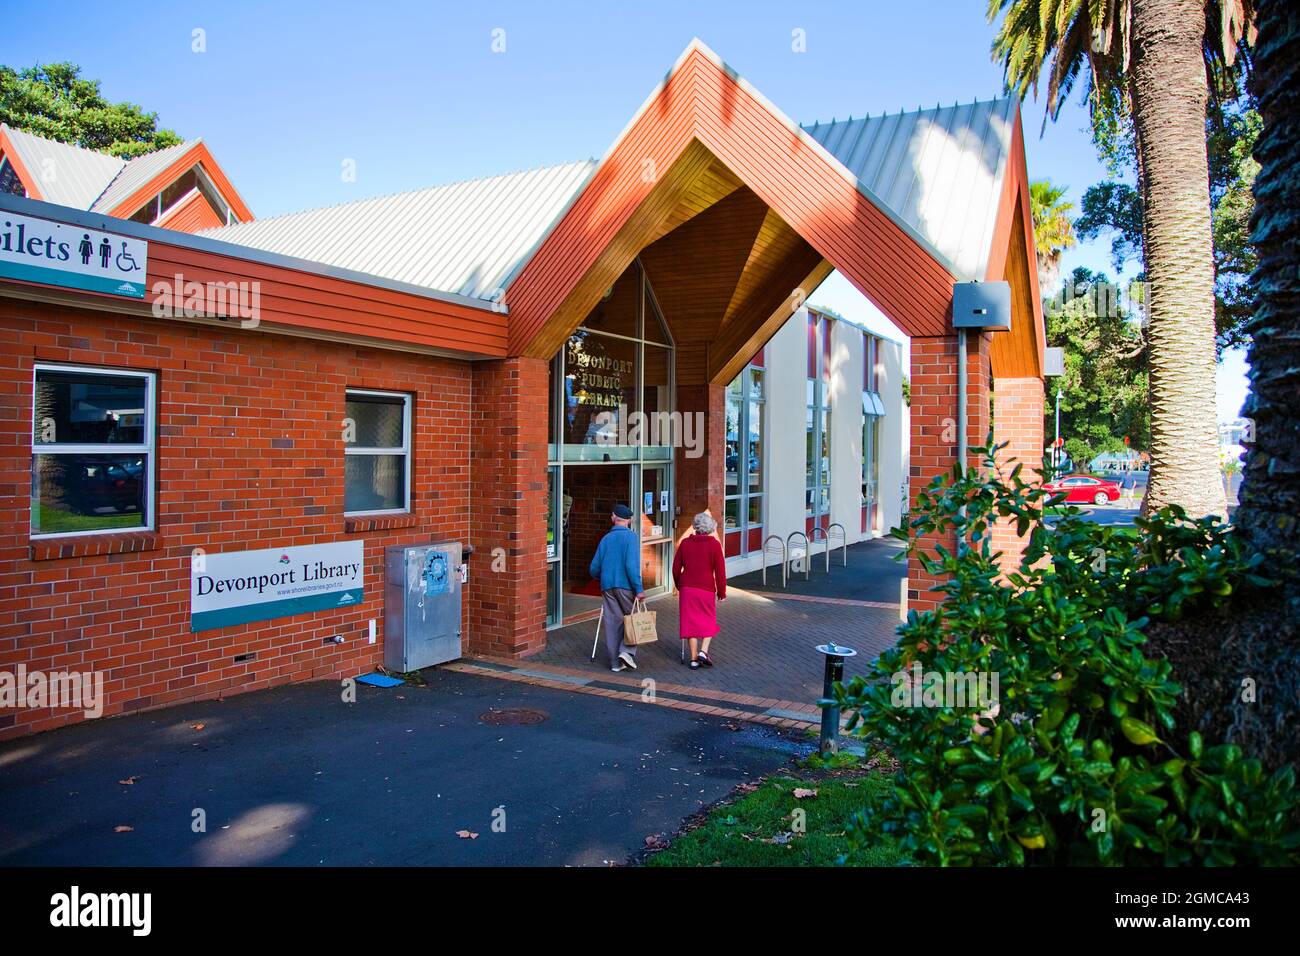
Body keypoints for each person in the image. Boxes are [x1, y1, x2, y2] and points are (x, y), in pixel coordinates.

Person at [589, 503, 645, 672]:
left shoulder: (606, 538)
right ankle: (627, 652)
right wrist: (639, 588)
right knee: (637, 618)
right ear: (629, 520)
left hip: (607, 585)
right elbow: (631, 566)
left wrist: (603, 577)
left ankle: (615, 663)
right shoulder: (631, 537)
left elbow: (593, 568)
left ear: (614, 517)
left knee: (613, 623)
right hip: (626, 585)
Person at [672, 511, 726, 669]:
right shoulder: (715, 545)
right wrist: (722, 593)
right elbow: (720, 572)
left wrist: (679, 584)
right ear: (710, 529)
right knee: (709, 620)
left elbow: (676, 568)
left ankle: (694, 659)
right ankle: (703, 651)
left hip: (687, 589)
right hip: (706, 588)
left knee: (690, 623)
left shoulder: (685, 544)